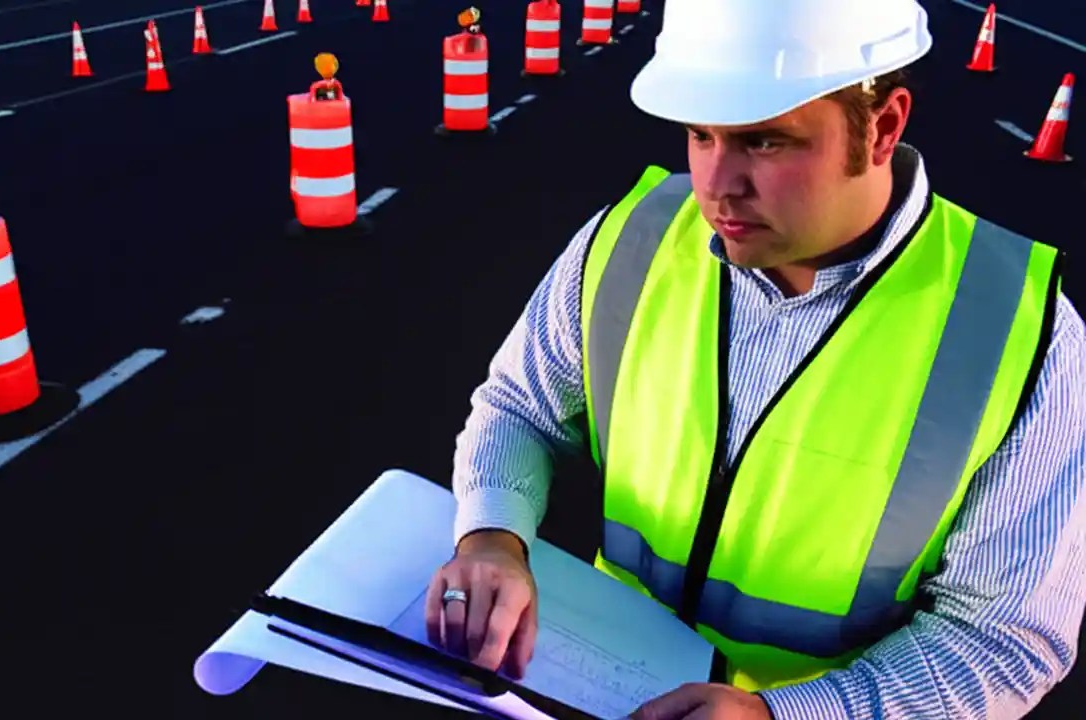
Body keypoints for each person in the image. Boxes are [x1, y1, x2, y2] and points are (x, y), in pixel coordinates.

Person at [423, 0, 1086, 717]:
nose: (717, 184)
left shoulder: (1024, 339)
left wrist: (788, 715)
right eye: (700, 134)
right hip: (593, 692)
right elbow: (521, 406)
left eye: (765, 142)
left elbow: (1002, 640)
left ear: (884, 126)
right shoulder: (632, 238)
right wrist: (493, 537)